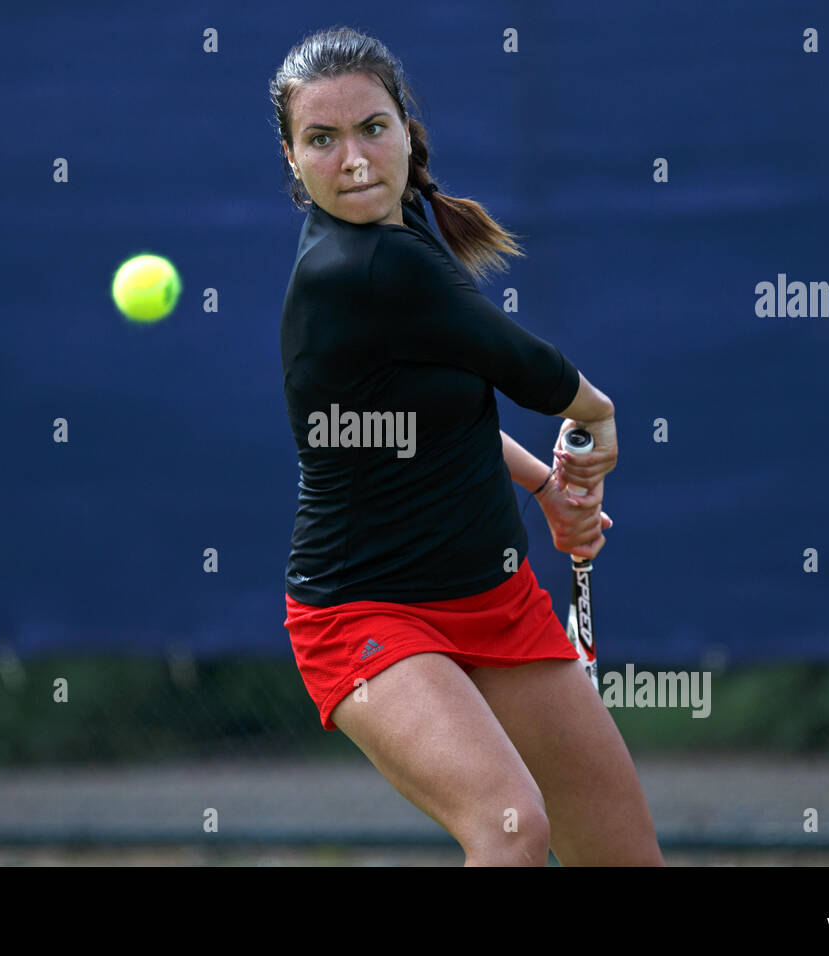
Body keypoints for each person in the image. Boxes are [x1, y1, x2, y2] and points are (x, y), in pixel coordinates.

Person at [271, 26, 663, 867]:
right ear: (292, 161)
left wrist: (544, 487)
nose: (353, 160)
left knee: (624, 858)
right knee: (510, 827)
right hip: (364, 610)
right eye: (321, 140)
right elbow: (522, 368)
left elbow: (435, 415)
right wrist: (598, 414)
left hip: (494, 597)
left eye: (372, 128)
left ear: (406, 132)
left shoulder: (402, 223)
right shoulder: (357, 266)